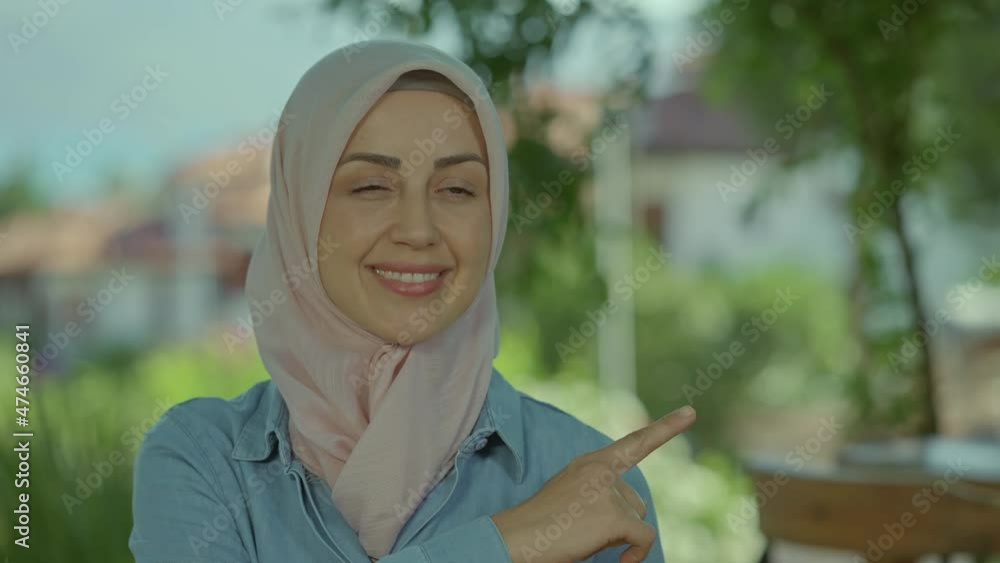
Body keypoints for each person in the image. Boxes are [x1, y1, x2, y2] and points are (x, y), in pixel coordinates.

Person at [128, 38, 696, 563]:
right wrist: (511, 542)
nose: (419, 230)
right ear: (299, 214)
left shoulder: (583, 476)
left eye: (456, 189)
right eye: (371, 186)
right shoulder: (204, 460)